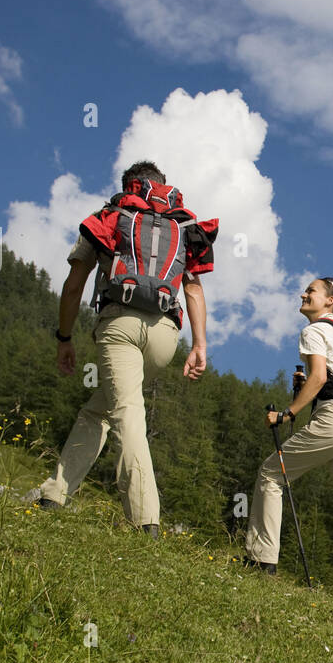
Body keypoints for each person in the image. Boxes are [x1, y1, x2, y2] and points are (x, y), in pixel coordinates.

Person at [36, 161, 211, 537]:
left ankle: (145, 519)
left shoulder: (111, 216)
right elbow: (193, 289)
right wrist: (199, 344)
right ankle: (55, 493)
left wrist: (64, 338)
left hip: (120, 324)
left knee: (127, 412)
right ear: (162, 187)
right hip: (166, 334)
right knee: (98, 410)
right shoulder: (182, 227)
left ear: (128, 186)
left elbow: (73, 285)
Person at [244, 277, 333, 613]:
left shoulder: (313, 332)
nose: (303, 294)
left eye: (311, 291)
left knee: (271, 474)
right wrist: (308, 384)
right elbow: (327, 377)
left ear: (329, 301)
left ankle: (261, 560)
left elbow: (321, 378)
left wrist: (286, 413)